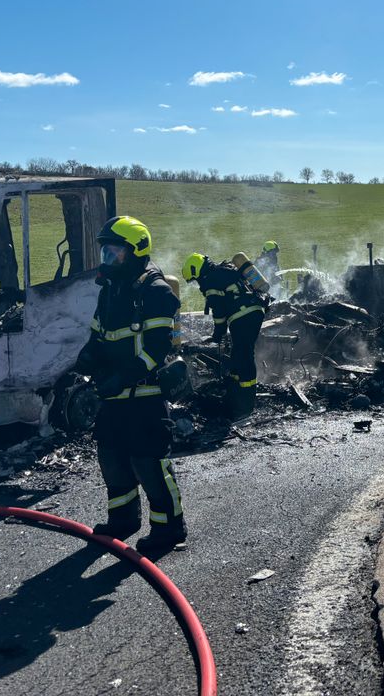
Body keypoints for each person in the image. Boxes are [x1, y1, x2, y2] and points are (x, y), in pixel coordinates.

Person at [73, 216, 186, 555]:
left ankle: (169, 528)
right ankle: (123, 520)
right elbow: (98, 333)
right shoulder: (110, 290)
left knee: (149, 462)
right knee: (111, 456)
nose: (107, 259)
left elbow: (157, 348)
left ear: (136, 251)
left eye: (114, 253)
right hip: (113, 394)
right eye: (105, 252)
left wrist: (123, 377)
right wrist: (88, 356)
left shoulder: (156, 292)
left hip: (145, 395)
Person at [182, 252, 268, 417]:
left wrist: (218, 333)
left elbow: (219, 310)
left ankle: (246, 401)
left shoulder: (210, 281)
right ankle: (236, 390)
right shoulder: (223, 271)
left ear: (197, 272)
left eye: (194, 279)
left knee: (244, 356)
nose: (197, 283)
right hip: (252, 312)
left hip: (244, 316)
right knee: (238, 354)